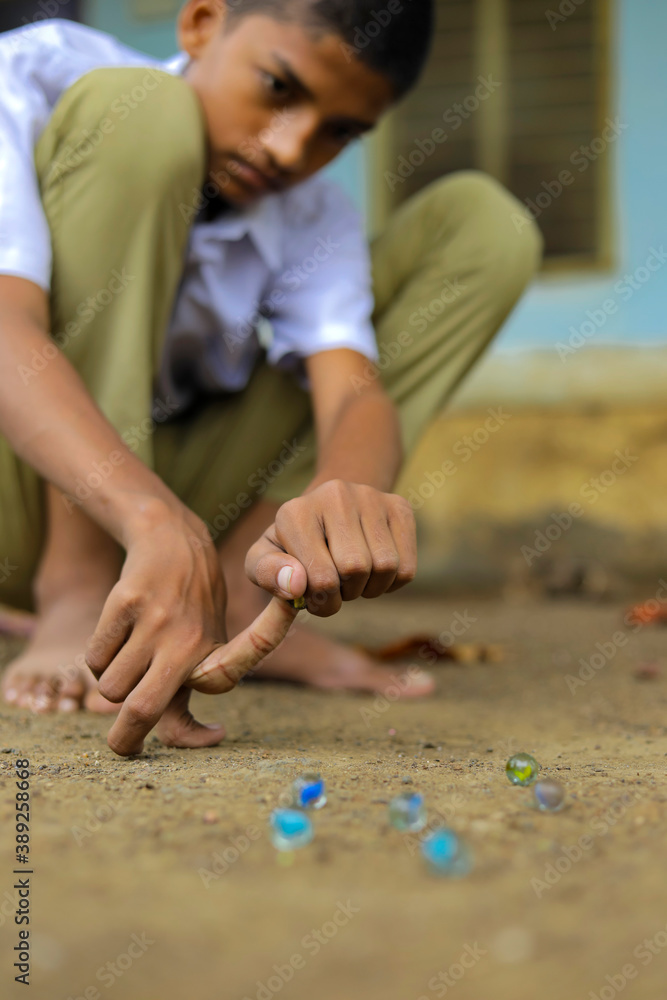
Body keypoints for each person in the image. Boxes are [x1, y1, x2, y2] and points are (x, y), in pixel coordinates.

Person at [0, 0, 542, 757]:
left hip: (181, 516)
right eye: (279, 87)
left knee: (485, 229)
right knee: (144, 115)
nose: (293, 149)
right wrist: (151, 517)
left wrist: (340, 499)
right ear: (199, 23)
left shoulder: (312, 216)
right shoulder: (36, 75)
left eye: (340, 131)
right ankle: (79, 591)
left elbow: (353, 391)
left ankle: (239, 602)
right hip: (20, 489)